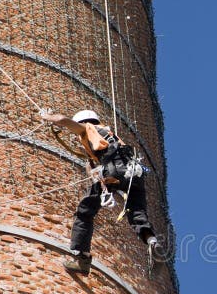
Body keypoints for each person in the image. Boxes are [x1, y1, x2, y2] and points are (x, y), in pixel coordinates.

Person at [40, 109, 162, 274]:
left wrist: (47, 117)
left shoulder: (88, 128)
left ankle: (82, 259)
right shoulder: (109, 134)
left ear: (84, 121)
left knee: (85, 211)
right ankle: (152, 242)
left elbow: (63, 120)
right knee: (136, 212)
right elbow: (93, 167)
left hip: (115, 171)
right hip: (135, 174)